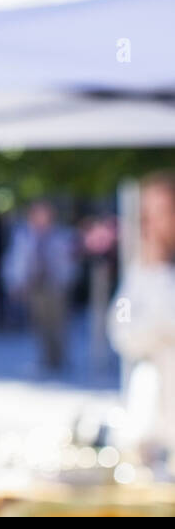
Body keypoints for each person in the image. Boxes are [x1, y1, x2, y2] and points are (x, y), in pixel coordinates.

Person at [107, 170, 175, 468]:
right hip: (157, 419)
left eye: (162, 212)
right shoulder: (142, 270)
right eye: (147, 214)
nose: (153, 223)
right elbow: (121, 323)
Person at [2, 199, 79, 373]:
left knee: (58, 323)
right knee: (39, 323)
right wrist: (15, 282)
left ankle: (60, 358)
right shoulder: (24, 236)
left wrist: (66, 279)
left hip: (55, 284)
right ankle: (46, 358)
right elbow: (16, 260)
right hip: (34, 284)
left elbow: (69, 259)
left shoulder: (60, 235)